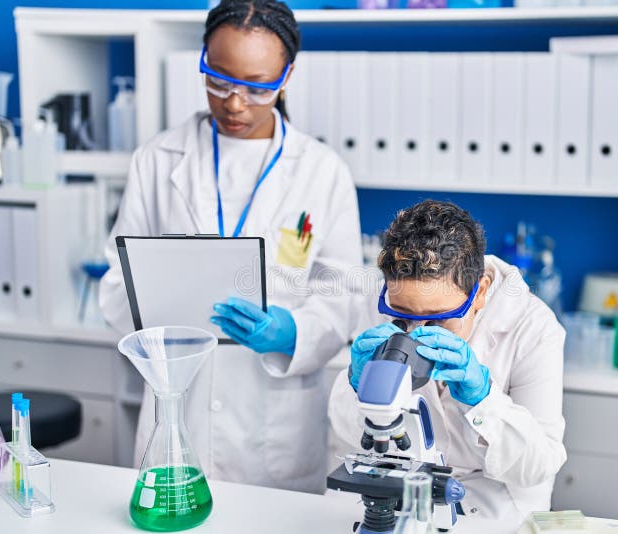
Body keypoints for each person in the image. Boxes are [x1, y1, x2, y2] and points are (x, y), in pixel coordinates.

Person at [100, 0, 362, 494]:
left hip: (274, 420)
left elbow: (343, 293)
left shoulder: (322, 171)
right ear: (201, 61)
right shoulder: (156, 161)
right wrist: (164, 317)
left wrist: (291, 334)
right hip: (180, 401)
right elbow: (118, 278)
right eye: (218, 80)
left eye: (257, 87)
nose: (235, 102)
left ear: (286, 77)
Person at [328, 200, 566, 521]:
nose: (416, 331)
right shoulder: (384, 301)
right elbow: (347, 431)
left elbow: (539, 465)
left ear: (479, 291)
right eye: (403, 317)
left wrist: (482, 402)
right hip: (401, 490)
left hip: (493, 508)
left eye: (438, 319)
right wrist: (358, 387)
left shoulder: (534, 328)